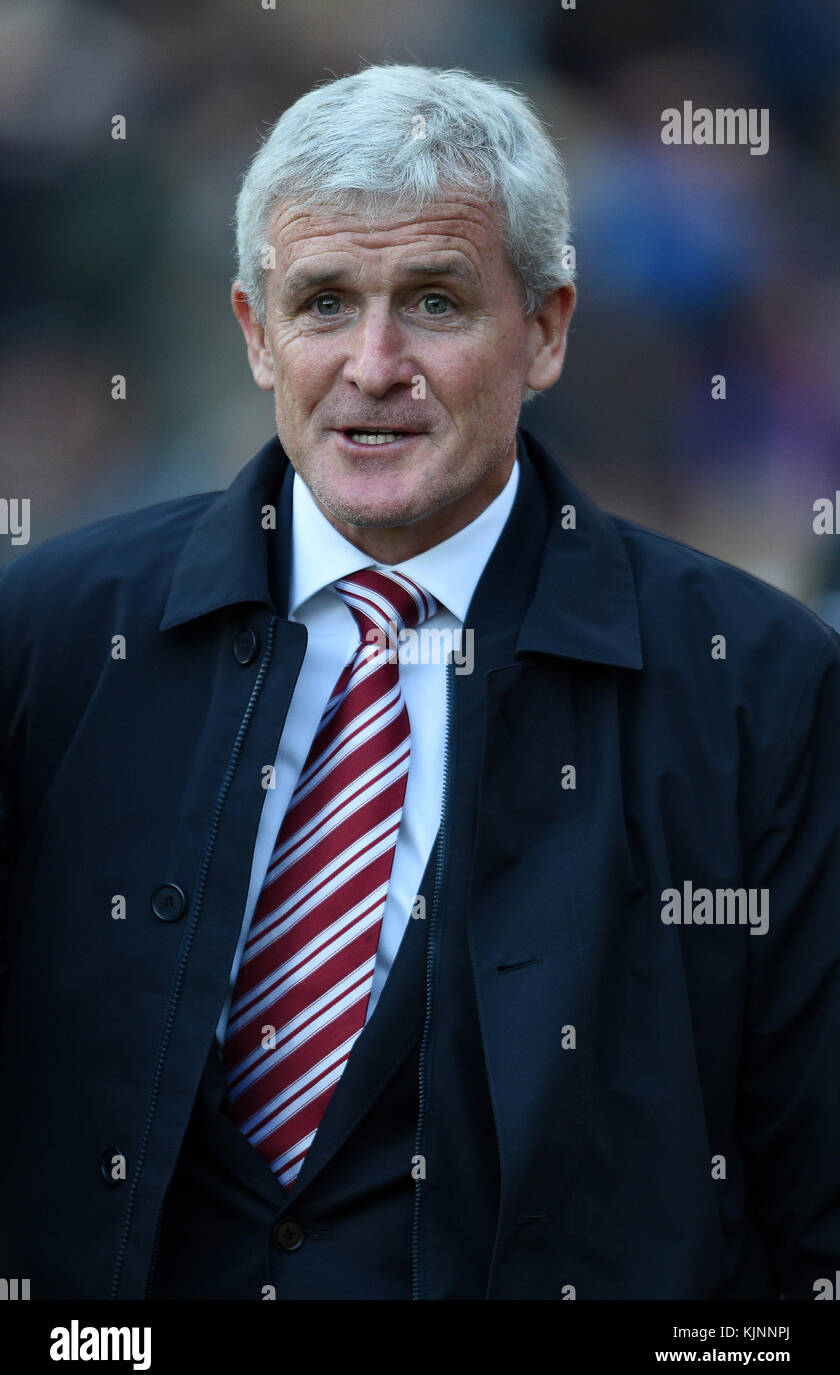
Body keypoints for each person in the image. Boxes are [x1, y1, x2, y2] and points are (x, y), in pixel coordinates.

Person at [1, 61, 838, 1302]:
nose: (374, 363)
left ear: (546, 329)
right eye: (325, 303)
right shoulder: (46, 638)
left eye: (436, 302)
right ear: (252, 331)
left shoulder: (760, 686)